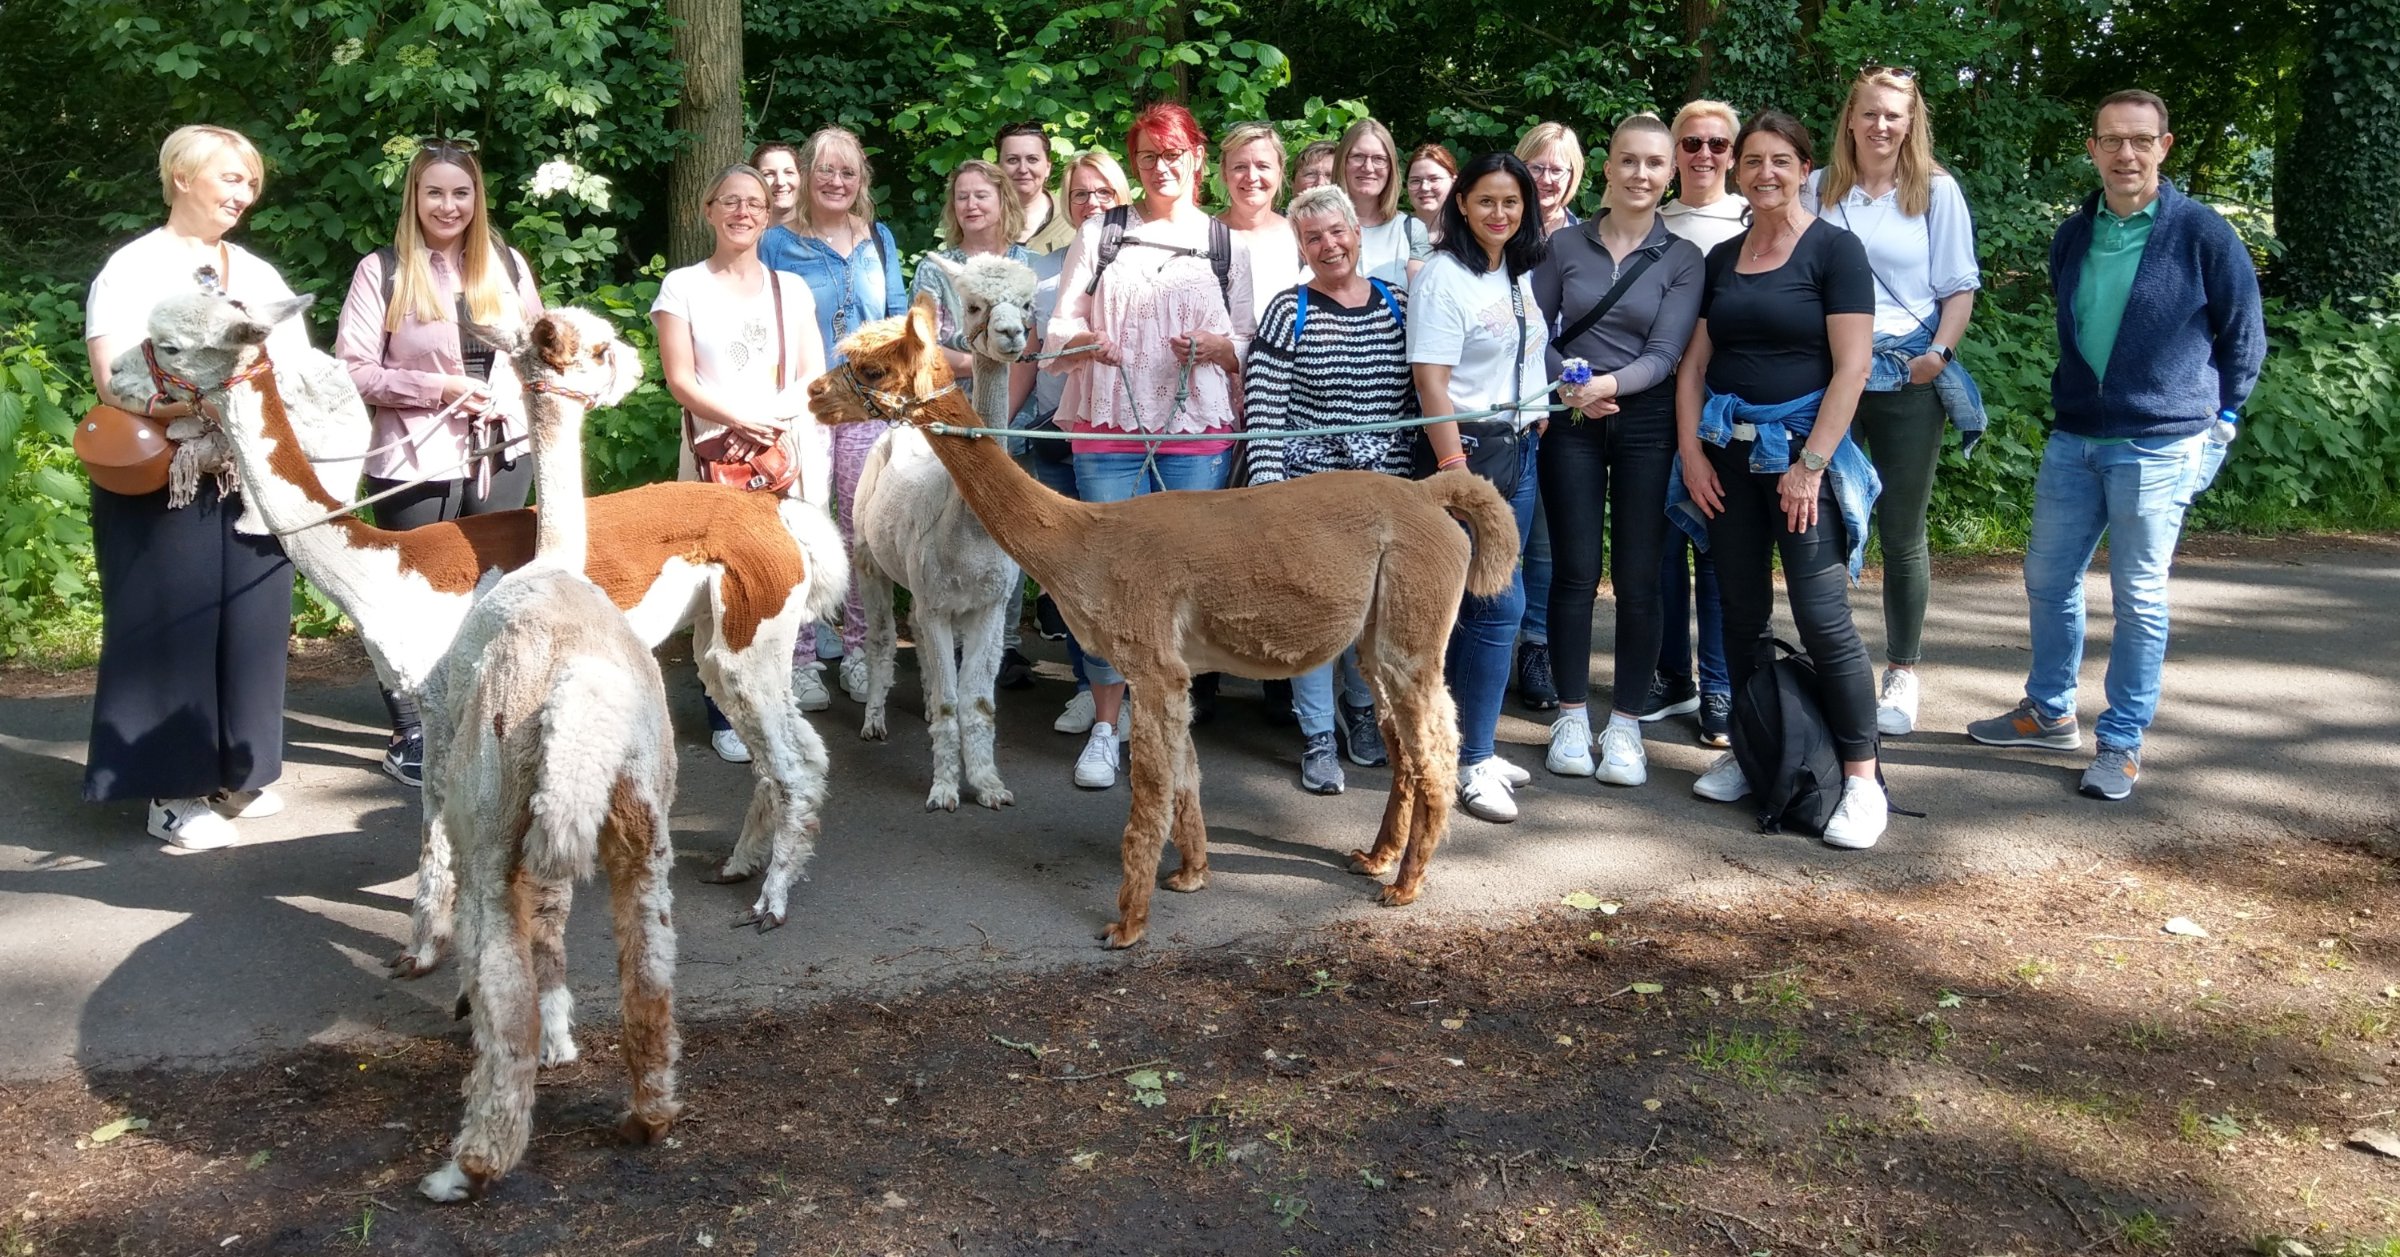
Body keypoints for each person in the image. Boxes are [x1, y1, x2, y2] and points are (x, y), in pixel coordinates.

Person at [1966, 89, 2263, 801]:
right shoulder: (2074, 233)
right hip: (2076, 437)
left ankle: (2123, 741)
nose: (2125, 153)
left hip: (2159, 445)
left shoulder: (2201, 234)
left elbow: (2243, 334)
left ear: (2164, 146)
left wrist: (2222, 423)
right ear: (2093, 148)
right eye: (2111, 140)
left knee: (2139, 596)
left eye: (2140, 140)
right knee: (2047, 578)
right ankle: (2049, 708)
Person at [82, 124, 306, 849]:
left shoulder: (257, 274)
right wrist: (200, 405)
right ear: (182, 176)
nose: (243, 194)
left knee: (254, 621)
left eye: (250, 183)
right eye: (230, 178)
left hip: (248, 474)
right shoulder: (132, 267)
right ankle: (171, 793)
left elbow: (297, 367)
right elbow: (115, 377)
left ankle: (237, 772)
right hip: (166, 478)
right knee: (170, 629)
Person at [1670, 110, 1887, 849]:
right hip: (1725, 457)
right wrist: (1692, 455)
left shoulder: (1836, 251)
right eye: (1752, 160)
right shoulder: (1723, 258)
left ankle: (1861, 778)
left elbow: (1853, 366)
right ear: (1738, 172)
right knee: (1738, 612)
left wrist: (1811, 467)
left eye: (1780, 160)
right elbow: (1694, 366)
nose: (1765, 172)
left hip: (1803, 456)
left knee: (1825, 618)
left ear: (1804, 168)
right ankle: (1754, 744)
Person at [1045, 102, 1255, 789]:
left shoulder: (1226, 243)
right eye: (1147, 157)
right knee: (1109, 576)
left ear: (1196, 159)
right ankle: (1107, 725)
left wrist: (1220, 347)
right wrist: (1085, 343)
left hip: (1196, 428)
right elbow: (1059, 323)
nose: (1161, 168)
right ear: (1134, 164)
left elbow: (1252, 339)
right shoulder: (1102, 231)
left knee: (1184, 577)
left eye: (1173, 155)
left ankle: (1164, 719)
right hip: (1107, 425)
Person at [334, 139, 544, 787]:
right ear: (414, 199)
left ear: (477, 198)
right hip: (413, 457)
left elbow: (539, 349)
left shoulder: (506, 263)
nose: (448, 205)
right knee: (407, 596)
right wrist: (441, 390)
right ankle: (413, 726)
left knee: (495, 591)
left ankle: (483, 716)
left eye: (461, 192)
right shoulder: (384, 270)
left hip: (502, 452)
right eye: (435, 192)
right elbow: (353, 370)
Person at [1804, 66, 1986, 739]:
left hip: (1907, 376)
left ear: (1912, 123)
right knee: (1819, 519)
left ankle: (1902, 671)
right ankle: (1833, 663)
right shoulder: (1818, 189)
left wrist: (1935, 356)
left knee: (1901, 530)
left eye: (1895, 115)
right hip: (1831, 377)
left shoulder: (1935, 191)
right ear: (1849, 119)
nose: (1881, 126)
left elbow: (1959, 287)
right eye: (1870, 113)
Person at [1531, 115, 1705, 789]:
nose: (1640, 174)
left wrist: (1603, 384)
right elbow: (1534, 327)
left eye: (1653, 164)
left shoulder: (1682, 258)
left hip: (1646, 420)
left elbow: (1666, 354)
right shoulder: (1563, 245)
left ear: (1670, 175)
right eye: (1627, 161)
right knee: (1574, 570)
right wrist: (1569, 384)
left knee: (1639, 576)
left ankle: (1626, 722)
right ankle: (1572, 715)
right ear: (1606, 168)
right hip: (1573, 419)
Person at [1242, 185, 1418, 794]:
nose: (1328, 245)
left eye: (1335, 232)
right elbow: (1263, 409)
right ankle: (1318, 736)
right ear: (1301, 247)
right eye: (1313, 237)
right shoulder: (1287, 311)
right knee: (1314, 618)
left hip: (1383, 494)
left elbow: (1420, 396)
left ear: (1357, 234)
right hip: (1309, 493)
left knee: (1373, 615)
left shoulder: (1397, 304)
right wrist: (1268, 499)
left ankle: (1364, 715)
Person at [653, 163, 831, 763]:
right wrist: (734, 421)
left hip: (780, 451)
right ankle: (722, 707)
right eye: (730, 201)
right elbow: (680, 379)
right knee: (719, 580)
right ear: (708, 211)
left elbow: (812, 373)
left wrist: (763, 424)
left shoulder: (792, 289)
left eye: (754, 203)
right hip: (713, 454)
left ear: (768, 213)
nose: (743, 212)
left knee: (780, 578)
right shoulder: (682, 286)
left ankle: (772, 698)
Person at [1408, 151, 1549, 823]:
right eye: (1487, 200)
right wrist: (1453, 471)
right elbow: (1431, 379)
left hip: (1518, 450)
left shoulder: (1512, 269)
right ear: (1461, 203)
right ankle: (1470, 761)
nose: (1500, 212)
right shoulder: (1445, 276)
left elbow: (1519, 352)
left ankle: (1470, 743)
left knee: (1479, 607)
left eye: (1512, 202)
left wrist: (1541, 402)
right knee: (1499, 604)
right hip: (1466, 459)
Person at [760, 127, 907, 708]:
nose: (837, 182)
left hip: (868, 408)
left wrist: (897, 395)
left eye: (848, 172)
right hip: (804, 406)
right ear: (806, 177)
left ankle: (856, 651)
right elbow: (763, 322)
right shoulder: (777, 242)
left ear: (861, 180)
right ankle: (798, 660)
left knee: (860, 533)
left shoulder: (879, 238)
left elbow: (898, 320)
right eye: (826, 171)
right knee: (802, 530)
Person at [1014, 149, 1130, 712]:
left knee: (1122, 566)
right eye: (1081, 193)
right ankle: (1088, 685)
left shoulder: (1143, 255)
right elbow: (1030, 355)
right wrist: (999, 426)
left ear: (1122, 194)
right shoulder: (1042, 267)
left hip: (1121, 433)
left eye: (1102, 191)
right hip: (1054, 430)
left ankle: (1130, 689)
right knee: (1073, 571)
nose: (1091, 203)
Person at [1653, 99, 1746, 747]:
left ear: (1733, 154)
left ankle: (1718, 683)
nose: (1704, 154)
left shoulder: (1752, 216)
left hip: (1726, 403)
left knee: (1717, 547)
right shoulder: (1653, 221)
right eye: (1691, 143)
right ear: (1675, 152)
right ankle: (1670, 674)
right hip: (1656, 397)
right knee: (1659, 545)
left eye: (1717, 144)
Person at [1509, 120, 1586, 709]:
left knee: (1546, 540)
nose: (1547, 177)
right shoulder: (1500, 232)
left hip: (1570, 405)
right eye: (1536, 166)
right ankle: (1483, 643)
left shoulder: (1590, 239)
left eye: (1558, 167)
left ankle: (1535, 645)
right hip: (1504, 406)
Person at [911, 159, 1036, 413]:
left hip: (1023, 415)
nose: (971, 205)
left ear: (1003, 201)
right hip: (953, 415)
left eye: (981, 195)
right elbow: (922, 349)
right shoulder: (936, 269)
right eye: (962, 197)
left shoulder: (1029, 267)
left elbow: (1041, 342)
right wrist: (993, 360)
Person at [1218, 122, 1302, 327]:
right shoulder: (1205, 236)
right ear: (1224, 173)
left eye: (1263, 166)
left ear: (1280, 171)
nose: (1252, 177)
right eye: (1240, 167)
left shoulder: (1300, 235)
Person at [1334, 118, 1430, 289]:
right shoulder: (1314, 227)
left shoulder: (1411, 230)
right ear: (1342, 161)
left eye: (1379, 159)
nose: (1368, 168)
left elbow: (1420, 297)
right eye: (1358, 156)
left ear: (1391, 167)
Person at [997, 121, 1077, 254]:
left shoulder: (1072, 218)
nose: (1023, 169)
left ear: (1047, 167)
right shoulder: (981, 218)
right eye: (1012, 160)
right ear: (999, 168)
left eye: (1032, 159)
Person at [1405, 143, 1456, 240]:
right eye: (1416, 180)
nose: (1424, 187)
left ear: (1454, 182)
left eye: (1434, 179)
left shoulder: (1474, 232)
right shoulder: (1393, 232)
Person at [751, 141, 802, 231]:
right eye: (769, 174)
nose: (780, 182)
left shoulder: (820, 232)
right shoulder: (744, 235)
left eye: (789, 172)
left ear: (801, 177)